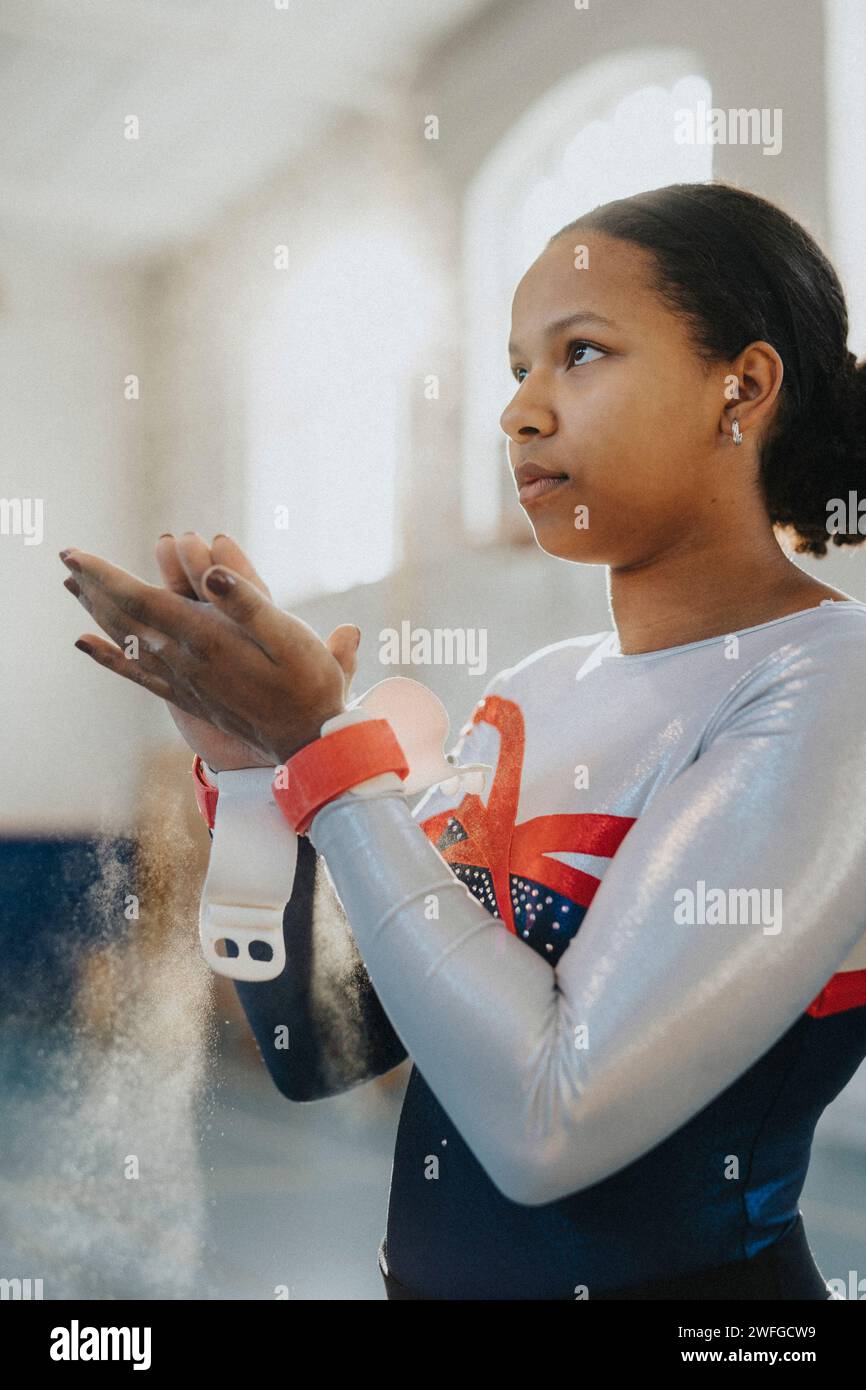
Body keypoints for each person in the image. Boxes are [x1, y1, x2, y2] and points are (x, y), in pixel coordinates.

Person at [61, 181, 866, 1300]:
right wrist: (253, 771)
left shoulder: (828, 678)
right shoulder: (534, 688)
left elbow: (548, 1126)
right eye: (515, 370)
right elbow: (327, 1048)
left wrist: (325, 757)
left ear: (741, 387)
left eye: (578, 353)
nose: (519, 412)